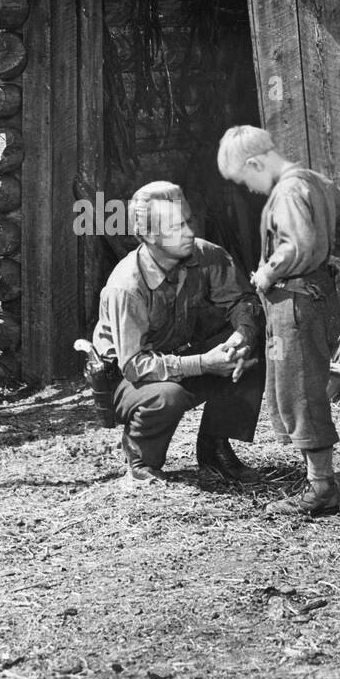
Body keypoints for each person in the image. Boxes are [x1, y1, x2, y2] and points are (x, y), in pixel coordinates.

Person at [217, 126, 340, 517]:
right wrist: (326, 248)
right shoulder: (314, 180)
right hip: (314, 296)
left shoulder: (286, 191)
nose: (250, 189)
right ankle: (317, 480)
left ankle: (321, 490)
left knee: (299, 390)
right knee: (298, 385)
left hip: (295, 304)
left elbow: (294, 245)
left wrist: (269, 271)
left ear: (254, 163)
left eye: (245, 179)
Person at [91, 181, 265, 490]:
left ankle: (214, 451)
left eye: (188, 220)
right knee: (165, 397)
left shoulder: (207, 255)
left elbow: (243, 301)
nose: (188, 231)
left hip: (180, 357)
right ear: (149, 236)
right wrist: (204, 364)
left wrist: (242, 334)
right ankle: (141, 462)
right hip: (126, 379)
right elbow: (134, 366)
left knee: (249, 350)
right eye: (175, 226)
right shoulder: (127, 287)